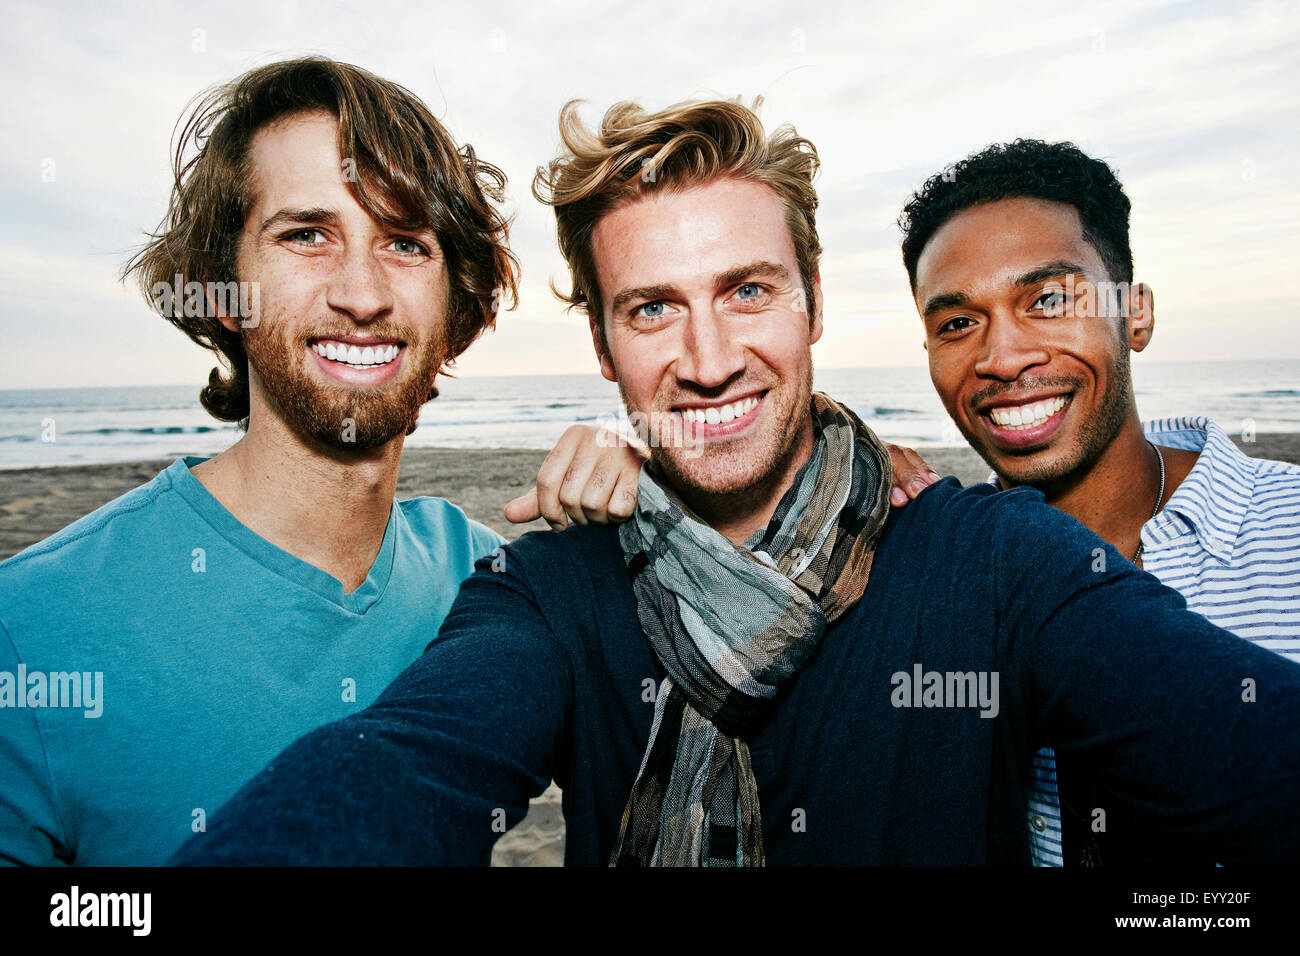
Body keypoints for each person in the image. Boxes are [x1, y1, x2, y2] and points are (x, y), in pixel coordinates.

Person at [173, 98, 1300, 867]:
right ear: (606, 351)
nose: (707, 357)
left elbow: (1237, 744)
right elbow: (407, 765)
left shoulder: (995, 557)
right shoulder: (551, 593)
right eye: (653, 306)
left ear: (814, 303)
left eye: (747, 290)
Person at [0, 57, 641, 866]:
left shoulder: (487, 579)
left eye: (406, 244)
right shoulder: (26, 632)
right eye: (307, 235)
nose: (362, 294)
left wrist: (656, 495)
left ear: (455, 308)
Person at [885, 139, 1300, 864]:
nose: (1004, 357)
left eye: (1049, 299)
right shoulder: (920, 565)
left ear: (1134, 315)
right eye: (957, 323)